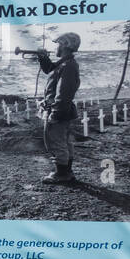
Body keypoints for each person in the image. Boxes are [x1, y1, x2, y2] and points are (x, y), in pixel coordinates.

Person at [37, 32, 81, 185]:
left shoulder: (68, 66)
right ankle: (66, 171)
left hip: (59, 110)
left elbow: (64, 93)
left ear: (65, 46)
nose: (56, 47)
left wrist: (55, 113)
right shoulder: (65, 62)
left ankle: (61, 174)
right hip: (63, 110)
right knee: (64, 141)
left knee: (55, 142)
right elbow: (49, 68)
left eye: (58, 44)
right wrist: (43, 58)